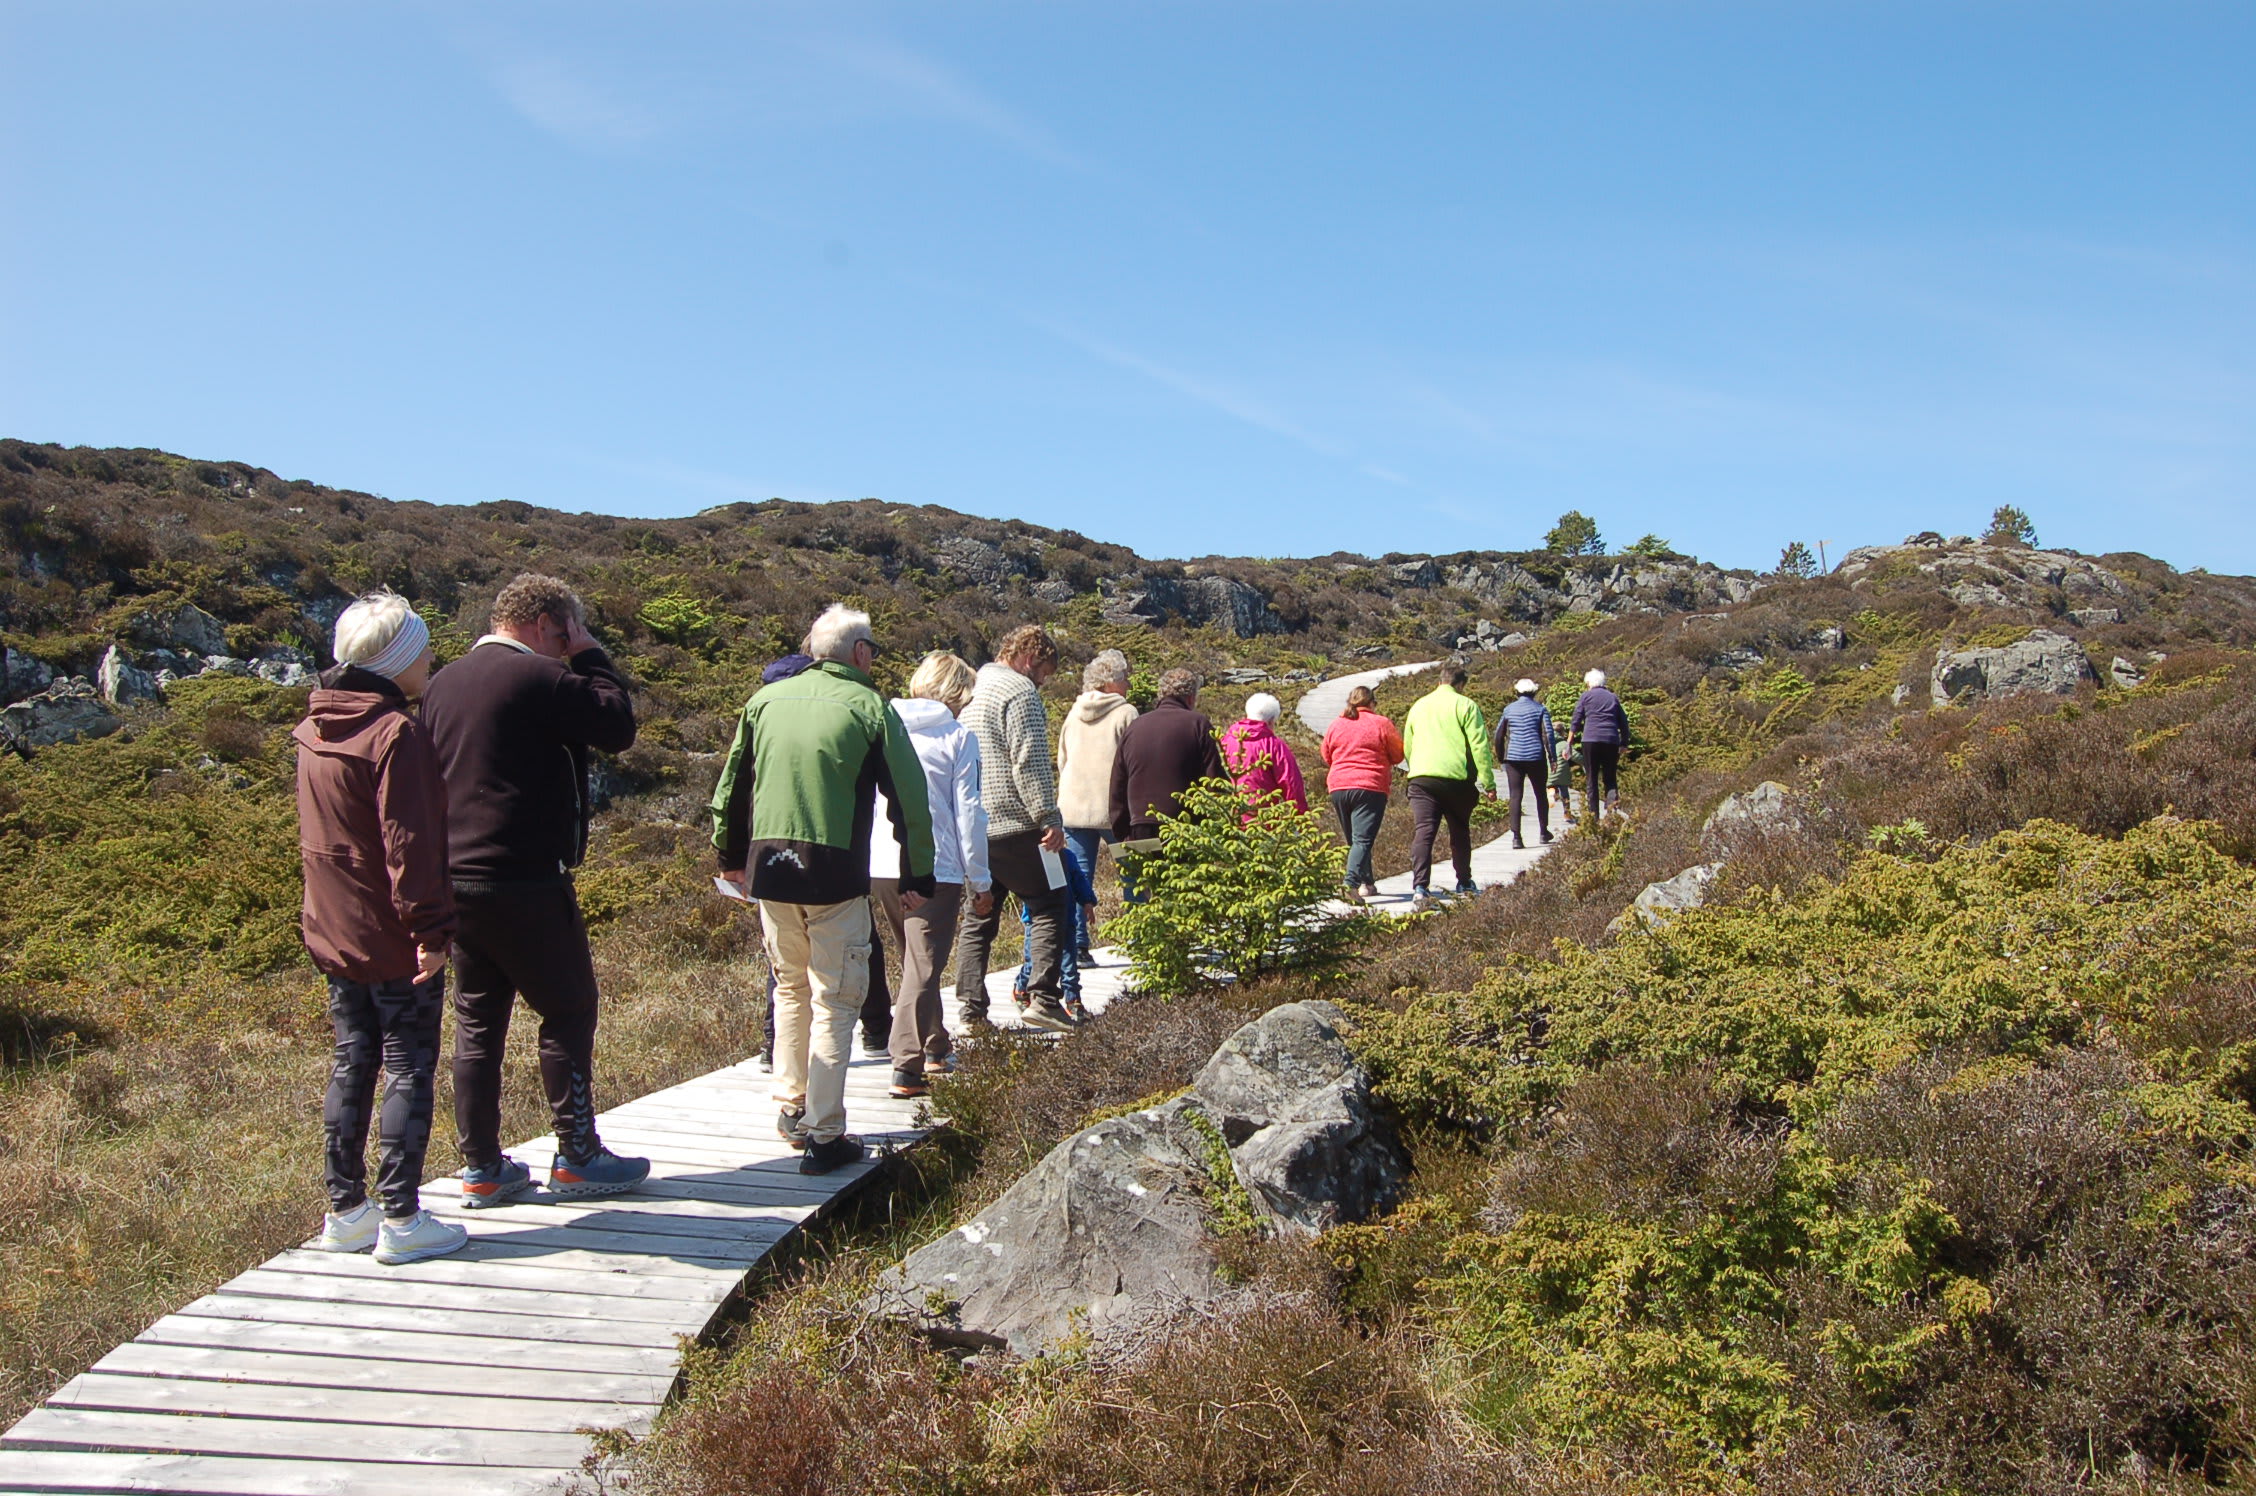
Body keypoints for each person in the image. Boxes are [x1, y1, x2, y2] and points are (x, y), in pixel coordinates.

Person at [421, 573, 648, 1207]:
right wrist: (591, 654)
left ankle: (482, 1167)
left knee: (477, 1023)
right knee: (568, 1009)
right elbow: (617, 724)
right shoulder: (541, 677)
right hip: (525, 881)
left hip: (455, 883)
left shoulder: (442, 683)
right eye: (566, 632)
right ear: (550, 625)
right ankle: (577, 1155)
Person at [711, 605, 937, 1173]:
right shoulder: (868, 706)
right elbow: (908, 800)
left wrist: (730, 858)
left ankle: (790, 1107)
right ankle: (826, 1132)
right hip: (833, 873)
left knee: (789, 987)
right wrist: (918, 874)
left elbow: (733, 788)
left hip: (769, 869)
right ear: (860, 653)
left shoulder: (763, 702)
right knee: (834, 998)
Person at [293, 591, 467, 1266]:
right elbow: (411, 845)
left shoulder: (314, 729)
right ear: (395, 662)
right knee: (408, 1067)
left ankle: (346, 1211)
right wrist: (432, 930)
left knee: (352, 1061)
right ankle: (401, 1218)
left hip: (334, 928)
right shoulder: (396, 733)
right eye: (422, 649)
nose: (430, 658)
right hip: (395, 935)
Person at [873, 651, 992, 1100]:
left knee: (914, 963)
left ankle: (935, 1044)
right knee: (923, 966)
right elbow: (970, 815)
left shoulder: (884, 728)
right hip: (935, 866)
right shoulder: (958, 737)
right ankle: (906, 1063)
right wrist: (980, 881)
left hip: (882, 863)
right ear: (958, 692)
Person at [954, 626, 1077, 1034]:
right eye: (1044, 670)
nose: (1043, 680)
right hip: (1017, 822)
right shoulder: (1020, 693)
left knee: (978, 917)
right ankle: (1043, 998)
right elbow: (1031, 763)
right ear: (1029, 658)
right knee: (1051, 901)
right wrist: (1049, 818)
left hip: (974, 825)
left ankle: (970, 1011)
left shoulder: (971, 690)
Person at [1054, 649, 1136, 964]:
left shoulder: (1073, 714)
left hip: (1074, 806)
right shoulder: (1126, 713)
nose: (1128, 683)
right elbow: (1134, 762)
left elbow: (1063, 759)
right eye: (1124, 677)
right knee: (1134, 874)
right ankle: (1140, 939)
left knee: (1079, 877)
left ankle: (1078, 947)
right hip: (1117, 809)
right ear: (1109, 682)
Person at [1400, 660, 1495, 911]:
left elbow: (1408, 745)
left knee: (1424, 831)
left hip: (1421, 779)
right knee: (1459, 831)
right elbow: (1479, 746)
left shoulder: (1419, 706)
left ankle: (1420, 887)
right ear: (1461, 684)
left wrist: (1416, 766)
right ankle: (1464, 882)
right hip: (1456, 780)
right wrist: (1488, 781)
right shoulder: (1466, 705)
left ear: (1439, 681)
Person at [1109, 666, 1227, 855]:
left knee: (1149, 882)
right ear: (1191, 698)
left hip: (1140, 826)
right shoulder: (1198, 724)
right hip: (1185, 825)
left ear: (1161, 694)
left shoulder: (1135, 726)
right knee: (1185, 883)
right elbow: (1214, 779)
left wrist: (1122, 832)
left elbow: (1118, 782)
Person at [1318, 684, 1403, 903]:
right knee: (1362, 840)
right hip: (1370, 786)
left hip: (1338, 786)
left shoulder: (1337, 723)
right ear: (1372, 702)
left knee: (1355, 840)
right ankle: (1350, 884)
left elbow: (1326, 754)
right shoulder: (1381, 723)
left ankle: (1368, 883)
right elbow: (1397, 755)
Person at [1015, 847, 1097, 1020]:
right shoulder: (1029, 857)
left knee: (1069, 964)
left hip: (1066, 920)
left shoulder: (1066, 856)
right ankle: (1021, 989)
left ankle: (1073, 1000)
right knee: (1034, 962)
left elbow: (1079, 880)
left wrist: (1087, 902)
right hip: (1037, 922)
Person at [1493, 678, 1558, 850]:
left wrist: (1501, 757)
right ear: (1534, 692)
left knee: (1515, 796)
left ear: (1517, 692)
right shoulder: (1540, 709)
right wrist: (1553, 758)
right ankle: (1543, 832)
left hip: (1513, 758)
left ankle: (1516, 837)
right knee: (1540, 795)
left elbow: (1498, 736)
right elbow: (1548, 735)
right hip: (1536, 757)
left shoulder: (1508, 710)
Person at [1219, 692, 1310, 814]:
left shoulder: (1226, 741)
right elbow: (1291, 784)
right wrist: (1302, 819)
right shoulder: (1275, 746)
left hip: (1229, 815)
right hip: (1264, 820)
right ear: (1271, 721)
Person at [1569, 668, 1631, 821]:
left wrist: (1569, 743)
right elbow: (1624, 723)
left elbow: (1576, 720)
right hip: (1611, 740)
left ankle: (1593, 817)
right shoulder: (1613, 698)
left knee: (1592, 779)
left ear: (1589, 683)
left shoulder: (1586, 696)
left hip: (1590, 740)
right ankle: (1611, 814)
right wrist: (1623, 743)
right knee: (1610, 778)